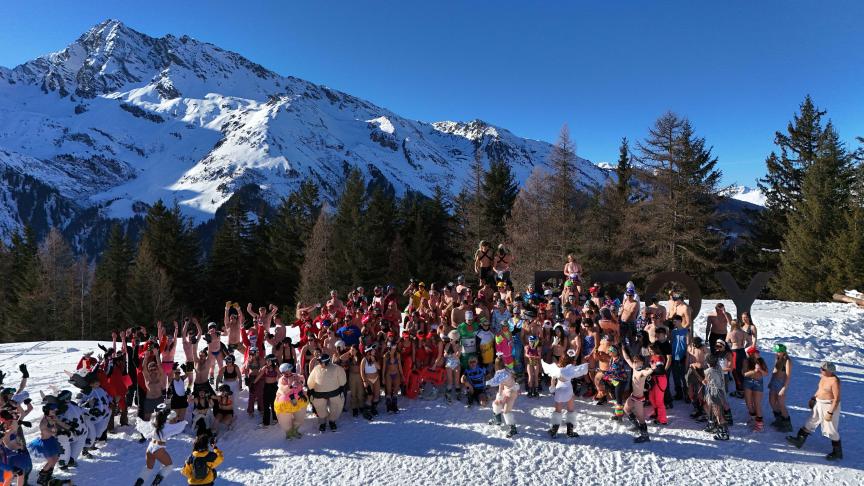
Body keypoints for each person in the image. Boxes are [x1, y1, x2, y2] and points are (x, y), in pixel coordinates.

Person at [787, 361, 842, 461]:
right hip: (819, 403)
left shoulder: (834, 381)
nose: (820, 370)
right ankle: (799, 440)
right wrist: (813, 398)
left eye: (823, 369)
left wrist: (830, 412)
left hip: (829, 406)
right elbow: (820, 389)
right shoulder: (823, 377)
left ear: (830, 371)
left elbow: (837, 399)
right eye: (821, 368)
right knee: (811, 420)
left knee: (830, 429)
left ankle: (837, 452)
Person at [134, 403, 187, 486]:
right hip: (158, 449)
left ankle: (137, 484)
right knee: (169, 466)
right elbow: (179, 426)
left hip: (150, 447)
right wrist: (182, 421)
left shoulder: (155, 424)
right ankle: (155, 484)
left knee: (148, 469)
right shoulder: (167, 427)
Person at [541, 350, 588, 438]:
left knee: (557, 411)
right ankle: (570, 432)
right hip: (568, 389)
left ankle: (554, 431)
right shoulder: (571, 369)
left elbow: (552, 379)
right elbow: (582, 370)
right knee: (570, 410)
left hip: (559, 390)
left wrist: (552, 387)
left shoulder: (557, 369)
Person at [307, 354, 347, 433]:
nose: (319, 363)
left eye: (320, 362)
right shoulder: (316, 369)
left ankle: (332, 421)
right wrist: (311, 389)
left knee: (336, 406)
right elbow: (310, 380)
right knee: (320, 408)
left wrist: (341, 388)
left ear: (326, 362)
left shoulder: (337, 368)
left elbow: (342, 380)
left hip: (334, 392)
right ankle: (323, 422)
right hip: (319, 394)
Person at [621, 346, 653, 443]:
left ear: (641, 363)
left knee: (641, 418)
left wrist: (652, 368)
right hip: (632, 396)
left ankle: (645, 436)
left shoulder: (642, 372)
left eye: (636, 361)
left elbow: (648, 372)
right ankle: (635, 425)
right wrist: (623, 348)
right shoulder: (634, 368)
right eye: (634, 361)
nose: (634, 363)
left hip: (639, 399)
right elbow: (627, 358)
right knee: (626, 409)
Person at [486, 357, 519, 438]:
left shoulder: (505, 373)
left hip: (512, 392)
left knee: (506, 411)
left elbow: (498, 382)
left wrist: (488, 382)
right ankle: (497, 420)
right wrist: (499, 396)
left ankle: (513, 429)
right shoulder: (503, 371)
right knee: (496, 403)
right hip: (505, 390)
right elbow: (501, 384)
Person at [274, 363, 307, 440]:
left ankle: (295, 430)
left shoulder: (296, 376)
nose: (288, 373)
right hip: (285, 403)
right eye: (285, 372)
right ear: (282, 372)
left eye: (289, 371)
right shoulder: (281, 380)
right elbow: (284, 390)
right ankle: (288, 432)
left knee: (300, 418)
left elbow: (302, 381)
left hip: (299, 400)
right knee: (285, 421)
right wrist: (290, 385)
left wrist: (300, 382)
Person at [703, 354, 730, 441]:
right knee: (712, 408)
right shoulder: (718, 367)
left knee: (718, 413)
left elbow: (706, 381)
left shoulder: (708, 371)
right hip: (720, 392)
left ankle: (724, 434)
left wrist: (704, 381)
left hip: (715, 393)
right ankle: (713, 426)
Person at [742, 346, 768, 431]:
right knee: (748, 403)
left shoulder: (762, 361)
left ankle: (759, 424)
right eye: (756, 352)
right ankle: (754, 418)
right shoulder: (746, 361)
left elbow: (766, 374)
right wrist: (753, 371)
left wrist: (759, 370)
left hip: (758, 383)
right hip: (748, 382)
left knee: (757, 403)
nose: (758, 353)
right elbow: (744, 374)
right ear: (751, 354)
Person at [768, 343, 793, 432]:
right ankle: (779, 419)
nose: (776, 353)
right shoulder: (777, 358)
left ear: (783, 352)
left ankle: (787, 424)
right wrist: (771, 381)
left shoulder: (787, 361)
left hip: (781, 383)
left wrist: (784, 388)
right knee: (771, 401)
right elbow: (774, 370)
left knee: (781, 404)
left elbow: (788, 376)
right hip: (774, 381)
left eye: (778, 352)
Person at [726, 320, 747, 398]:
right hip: (742, 351)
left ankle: (740, 391)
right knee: (743, 370)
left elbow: (726, 343)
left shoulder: (731, 333)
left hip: (735, 352)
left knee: (735, 371)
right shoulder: (743, 332)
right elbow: (750, 341)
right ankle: (744, 389)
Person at [360, 347, 381, 420]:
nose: (374, 351)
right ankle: (366, 412)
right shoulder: (364, 360)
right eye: (373, 350)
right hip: (368, 380)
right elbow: (362, 372)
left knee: (377, 395)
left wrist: (374, 361)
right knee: (370, 396)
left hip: (376, 379)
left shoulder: (375, 358)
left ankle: (373, 409)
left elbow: (379, 368)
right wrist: (364, 381)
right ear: (369, 351)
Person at [382, 346, 402, 414]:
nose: (394, 350)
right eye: (393, 349)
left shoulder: (398, 355)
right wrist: (383, 377)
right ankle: (389, 407)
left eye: (395, 349)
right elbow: (384, 368)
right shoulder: (386, 356)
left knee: (396, 391)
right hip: (389, 374)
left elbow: (400, 366)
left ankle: (394, 406)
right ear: (389, 349)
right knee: (389, 391)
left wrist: (402, 375)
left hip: (396, 373)